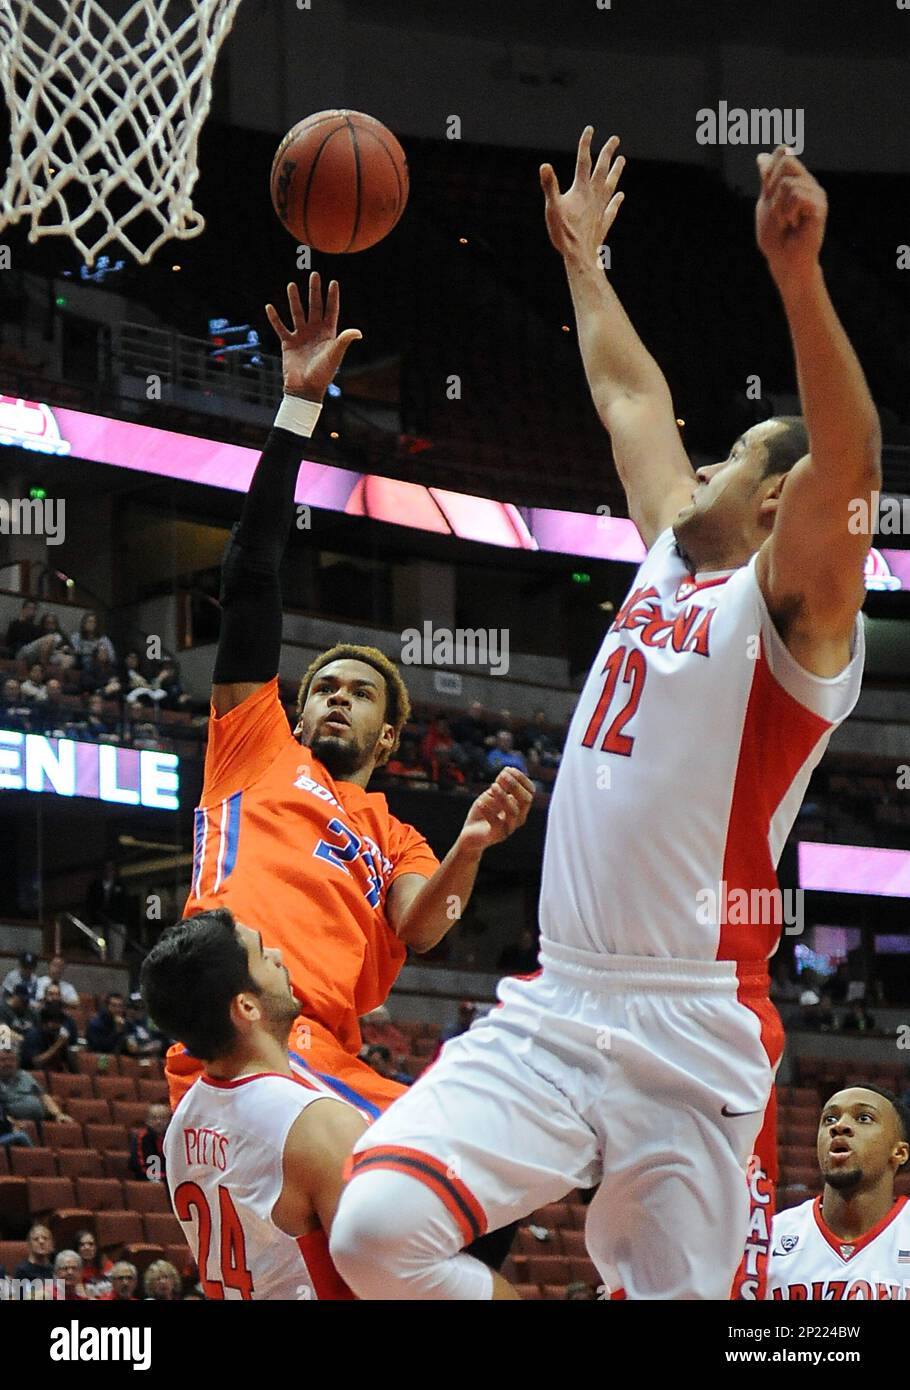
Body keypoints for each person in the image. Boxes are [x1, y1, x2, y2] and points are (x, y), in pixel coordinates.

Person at [329, 134, 875, 1302]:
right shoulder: (672, 552)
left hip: (692, 1029)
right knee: (375, 1227)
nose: (703, 468)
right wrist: (582, 261)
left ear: (775, 499)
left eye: (730, 456)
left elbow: (849, 465)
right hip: (559, 995)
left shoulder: (796, 619)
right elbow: (631, 391)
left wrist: (800, 282)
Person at [165, 276, 533, 1121]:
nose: (335, 699)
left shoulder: (398, 837)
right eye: (323, 687)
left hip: (328, 1053)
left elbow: (422, 925)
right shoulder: (256, 745)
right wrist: (299, 408)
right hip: (247, 1036)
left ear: (388, 736)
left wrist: (471, 844)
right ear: (296, 712)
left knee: (479, 1190)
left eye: (359, 693)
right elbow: (250, 576)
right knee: (436, 1179)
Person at [142, 908, 374, 1300]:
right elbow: (390, 1282)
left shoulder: (180, 1127)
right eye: (263, 953)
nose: (279, 957)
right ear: (246, 1007)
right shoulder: (317, 1125)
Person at [767, 1086, 910, 1300]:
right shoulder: (770, 1238)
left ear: (898, 1152)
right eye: (829, 1119)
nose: (839, 1126)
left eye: (863, 1118)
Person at [0, 1042, 75, 1123]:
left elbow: (43, 1096)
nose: (8, 1063)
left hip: (40, 1122)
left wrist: (58, 1114)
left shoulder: (25, 1076)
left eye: (11, 1060)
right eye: (3, 1060)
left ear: (17, 1062)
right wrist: (9, 1123)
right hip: (12, 1124)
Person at [20, 1001, 77, 1073]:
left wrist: (65, 1046)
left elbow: (71, 1065)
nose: (58, 1026)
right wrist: (57, 1045)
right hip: (33, 1075)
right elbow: (36, 1062)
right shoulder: (33, 1036)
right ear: (44, 1023)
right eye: (55, 1022)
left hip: (53, 1075)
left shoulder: (56, 1035)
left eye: (60, 1023)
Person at [128, 1103, 170, 1182]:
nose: (159, 1122)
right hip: (146, 1179)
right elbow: (140, 1165)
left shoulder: (171, 1137)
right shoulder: (142, 1137)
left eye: (163, 1118)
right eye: (154, 1118)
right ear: (147, 1121)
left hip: (167, 1179)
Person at [120, 992, 165, 1058]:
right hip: (135, 1060)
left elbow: (159, 1038)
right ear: (127, 1009)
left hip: (153, 1058)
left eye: (143, 1007)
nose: (140, 1011)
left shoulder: (144, 1023)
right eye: (136, 1008)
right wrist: (146, 1049)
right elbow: (132, 1048)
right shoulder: (125, 1024)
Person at [75, 1229, 113, 1299]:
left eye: (91, 1244)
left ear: (96, 1247)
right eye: (82, 1245)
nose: (87, 1248)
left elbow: (113, 1290)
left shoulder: (106, 1264)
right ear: (77, 1249)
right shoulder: (73, 1269)